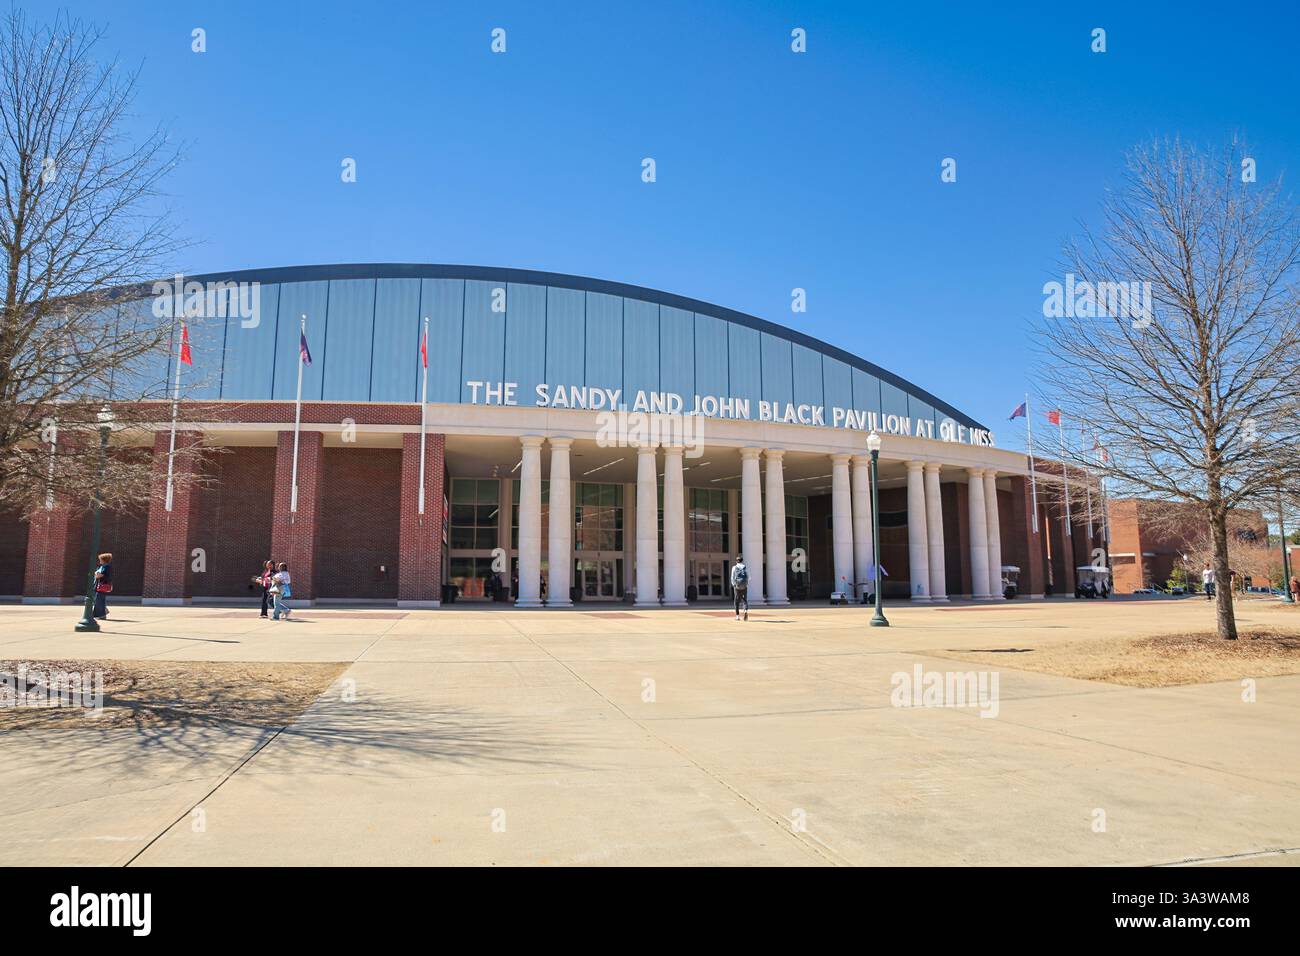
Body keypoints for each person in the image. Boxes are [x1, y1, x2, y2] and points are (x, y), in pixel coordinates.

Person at [92, 552, 113, 619]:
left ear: (104, 560)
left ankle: (101, 615)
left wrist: (96, 574)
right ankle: (103, 612)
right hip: (99, 585)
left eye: (100, 559)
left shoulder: (106, 567)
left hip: (102, 585)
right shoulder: (102, 566)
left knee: (99, 600)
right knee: (98, 599)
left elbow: (100, 575)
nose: (100, 561)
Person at [730, 556, 749, 621]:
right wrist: (746, 584)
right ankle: (745, 610)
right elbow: (748, 576)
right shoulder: (745, 567)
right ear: (742, 561)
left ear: (736, 561)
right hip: (744, 586)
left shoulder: (734, 567)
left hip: (737, 586)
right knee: (744, 600)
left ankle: (737, 616)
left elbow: (732, 577)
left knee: (736, 601)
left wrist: (734, 585)